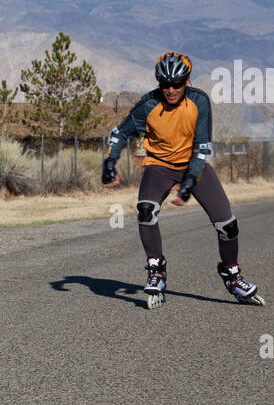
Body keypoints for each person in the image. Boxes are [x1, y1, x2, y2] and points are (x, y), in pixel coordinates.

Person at [102, 52, 264, 307]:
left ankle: (232, 275)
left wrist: (188, 183)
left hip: (194, 166)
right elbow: (120, 133)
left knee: (228, 226)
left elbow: (202, 146)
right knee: (146, 210)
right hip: (159, 166)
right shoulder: (148, 105)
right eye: (165, 84)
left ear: (187, 81)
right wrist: (109, 162)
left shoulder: (199, 102)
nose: (170, 90)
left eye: (176, 84)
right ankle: (156, 269)